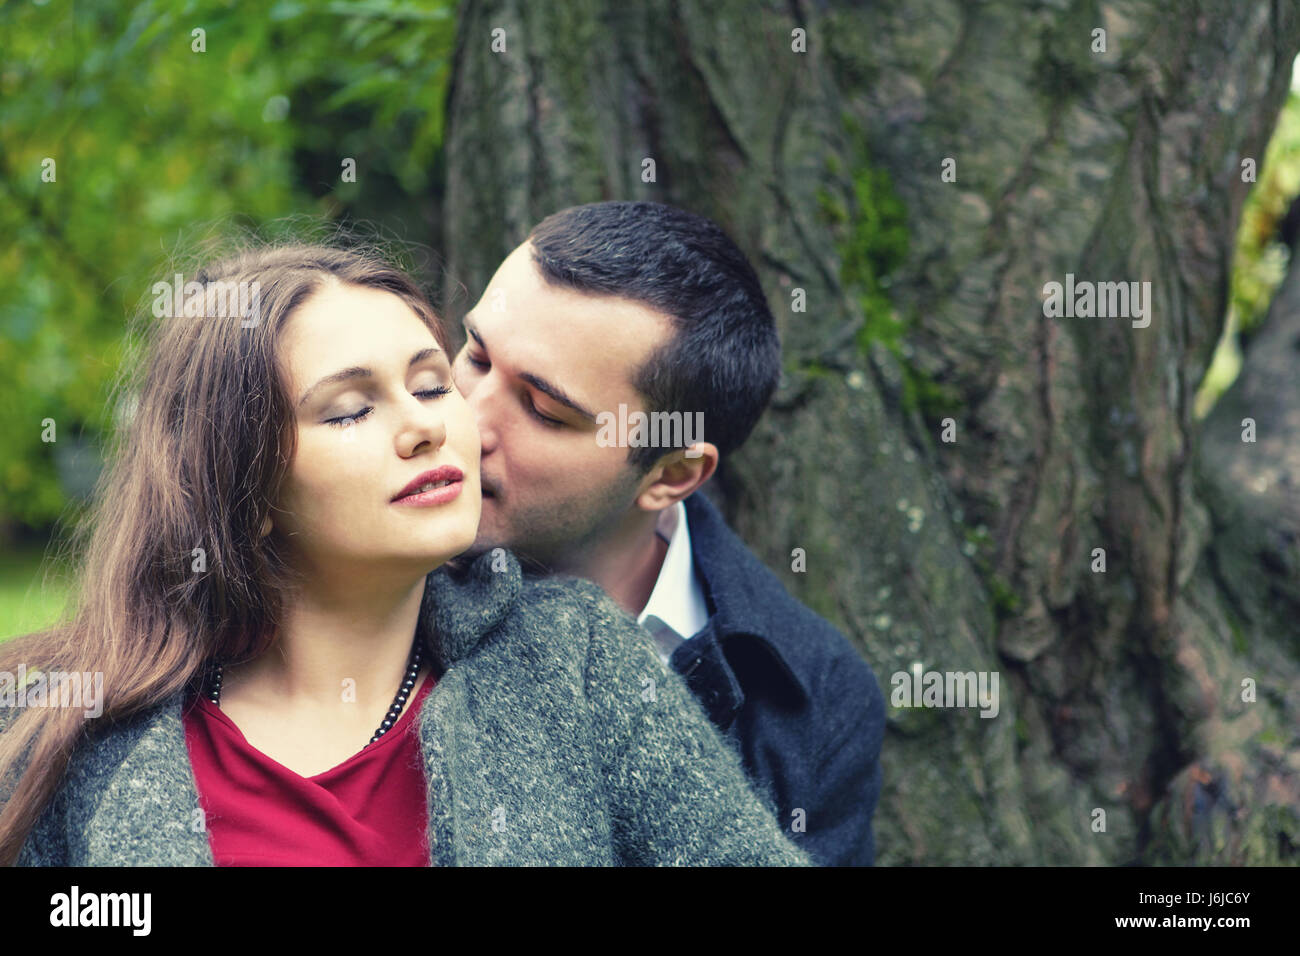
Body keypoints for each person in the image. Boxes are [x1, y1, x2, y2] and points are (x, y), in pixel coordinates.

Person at [0, 240, 812, 867]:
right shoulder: (56, 726)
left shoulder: (576, 660)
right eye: (350, 411)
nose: (428, 425)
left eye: (430, 385)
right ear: (241, 491)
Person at [441, 200, 886, 866]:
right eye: (476, 358)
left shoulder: (813, 698)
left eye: (542, 410)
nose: (465, 424)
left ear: (672, 474)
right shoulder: (351, 561)